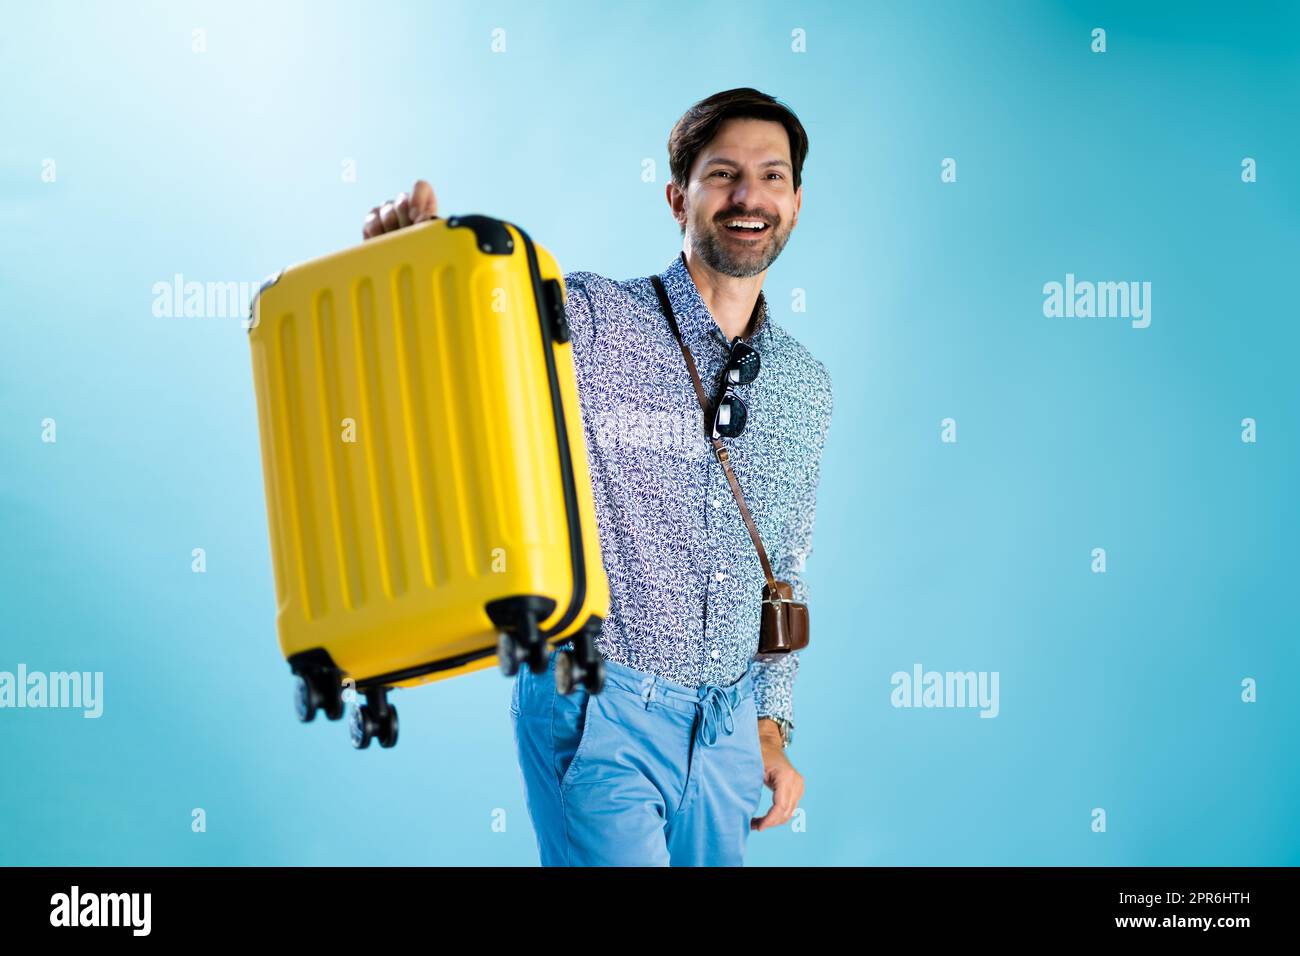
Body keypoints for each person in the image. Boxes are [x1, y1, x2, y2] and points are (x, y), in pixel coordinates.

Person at [363, 88, 832, 866]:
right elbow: (471, 337)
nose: (749, 197)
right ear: (679, 196)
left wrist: (768, 725)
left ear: (796, 200)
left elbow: (783, 568)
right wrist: (411, 268)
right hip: (600, 706)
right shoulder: (590, 316)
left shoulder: (805, 386)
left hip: (724, 731)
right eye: (723, 175)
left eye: (771, 176)